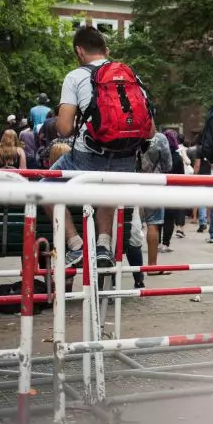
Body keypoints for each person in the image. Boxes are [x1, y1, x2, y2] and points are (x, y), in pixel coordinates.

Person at [49, 26, 151, 268]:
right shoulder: (131, 76)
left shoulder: (75, 77)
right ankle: (103, 246)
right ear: (106, 50)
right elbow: (151, 129)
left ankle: (77, 246)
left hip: (88, 158)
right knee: (111, 183)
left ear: (79, 51)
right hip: (126, 159)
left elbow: (64, 129)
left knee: (45, 187)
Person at [140, 131, 173, 269]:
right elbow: (168, 165)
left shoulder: (128, 133)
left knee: (122, 224)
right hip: (153, 184)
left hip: (127, 182)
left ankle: (114, 268)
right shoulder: (159, 138)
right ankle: (152, 266)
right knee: (152, 224)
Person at [161, 130, 187, 250]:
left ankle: (156, 242)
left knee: (157, 218)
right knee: (169, 218)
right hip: (172, 190)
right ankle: (166, 243)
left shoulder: (159, 154)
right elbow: (181, 176)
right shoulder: (177, 157)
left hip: (158, 189)